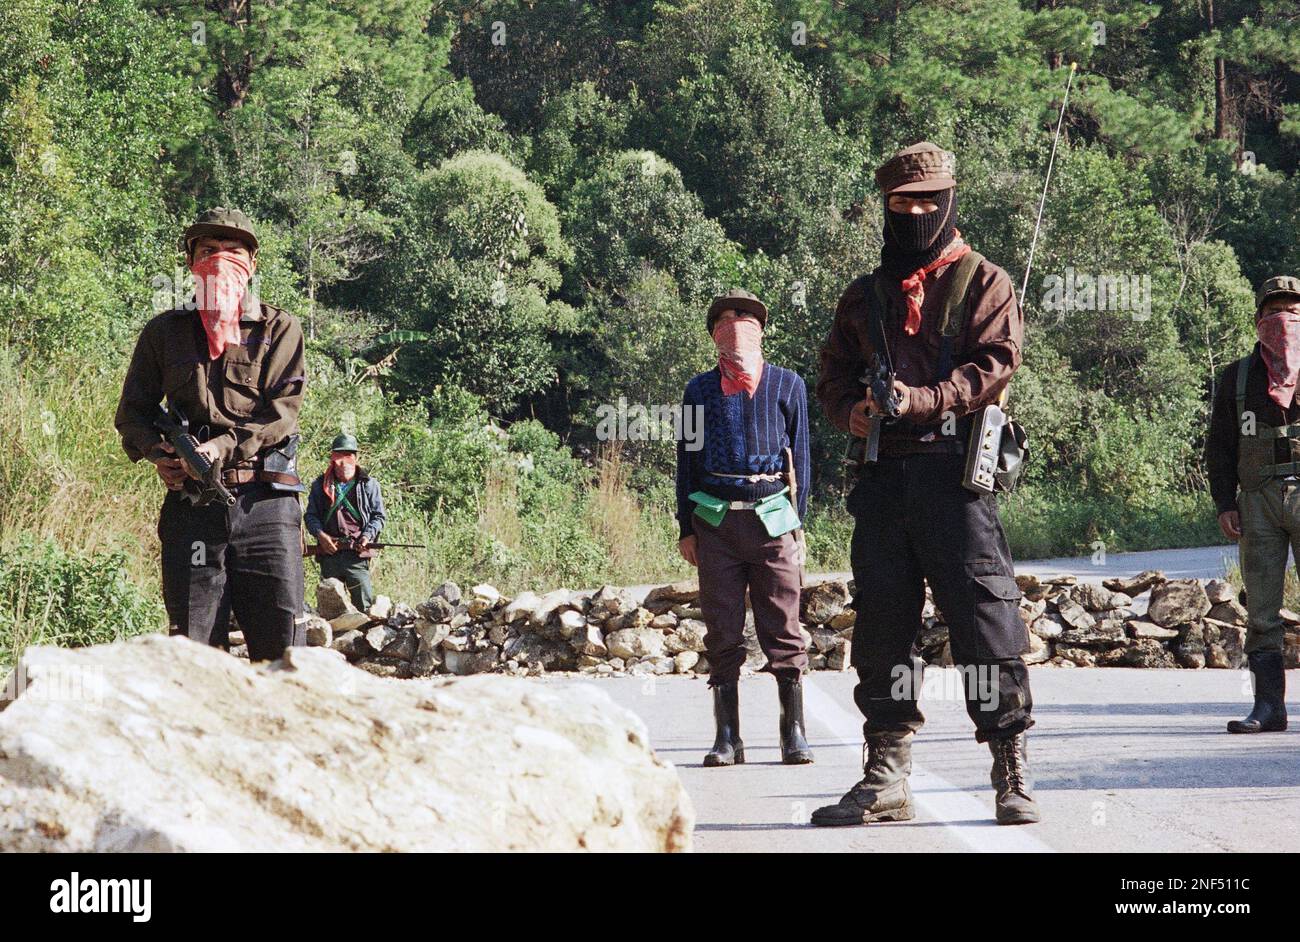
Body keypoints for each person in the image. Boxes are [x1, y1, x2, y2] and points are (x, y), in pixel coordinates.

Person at [813, 142, 1040, 826]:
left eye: (927, 201)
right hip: (883, 477)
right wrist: (851, 409)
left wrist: (928, 397)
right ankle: (886, 773)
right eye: (901, 203)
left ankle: (1009, 767)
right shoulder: (864, 294)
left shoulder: (983, 281)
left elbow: (996, 365)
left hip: (956, 476)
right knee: (883, 624)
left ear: (948, 202)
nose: (915, 213)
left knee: (984, 619)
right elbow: (831, 375)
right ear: (885, 207)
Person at [115, 207, 308, 661]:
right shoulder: (165, 332)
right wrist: (156, 451)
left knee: (285, 651)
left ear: (252, 264)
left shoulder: (279, 329)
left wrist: (221, 445)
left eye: (233, 251)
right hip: (192, 506)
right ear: (190, 263)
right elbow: (132, 413)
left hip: (266, 507)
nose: (220, 261)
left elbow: (281, 415)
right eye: (208, 251)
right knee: (193, 650)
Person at [676, 288, 814, 766]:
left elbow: (804, 460)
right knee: (722, 629)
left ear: (760, 329)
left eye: (746, 317)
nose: (737, 324)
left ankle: (792, 732)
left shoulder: (788, 385)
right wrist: (685, 527)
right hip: (715, 523)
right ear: (715, 333)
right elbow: (686, 463)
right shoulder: (698, 390)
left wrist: (800, 524)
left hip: (773, 520)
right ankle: (727, 736)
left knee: (783, 626)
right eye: (727, 318)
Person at [1205, 275, 1300, 734]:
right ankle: (1268, 707)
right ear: (1259, 321)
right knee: (1262, 612)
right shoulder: (1236, 377)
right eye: (1274, 312)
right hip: (1257, 504)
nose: (1284, 320)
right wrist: (1225, 502)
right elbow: (1219, 447)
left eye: (1294, 312)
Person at [304, 434, 387, 612]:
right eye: (339, 456)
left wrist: (367, 536)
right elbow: (310, 516)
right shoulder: (319, 485)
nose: (343, 462)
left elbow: (378, 517)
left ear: (355, 458)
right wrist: (321, 536)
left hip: (356, 555)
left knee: (364, 609)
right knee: (330, 610)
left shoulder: (369, 485)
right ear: (333, 459)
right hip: (329, 555)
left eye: (348, 456)